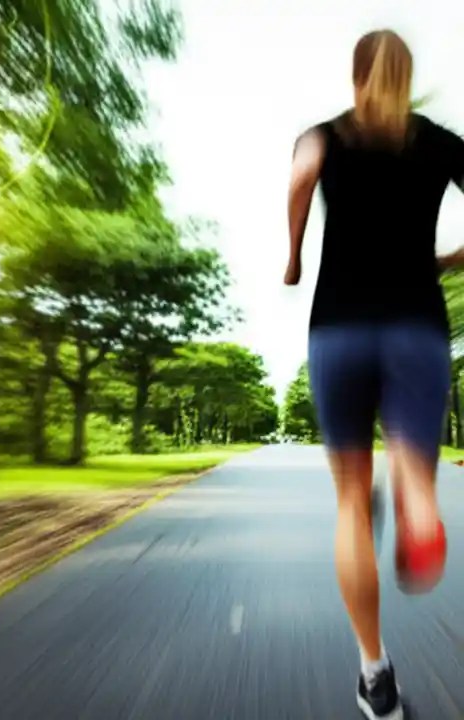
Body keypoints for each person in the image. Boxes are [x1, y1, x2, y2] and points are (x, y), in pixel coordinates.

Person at [286, 29, 463, 720]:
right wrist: (450, 259)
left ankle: (375, 673)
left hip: (338, 331)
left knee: (350, 505)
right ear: (406, 75)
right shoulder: (439, 141)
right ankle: (416, 496)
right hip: (417, 328)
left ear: (355, 74)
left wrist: (294, 253)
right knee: (412, 468)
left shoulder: (324, 134)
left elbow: (301, 176)